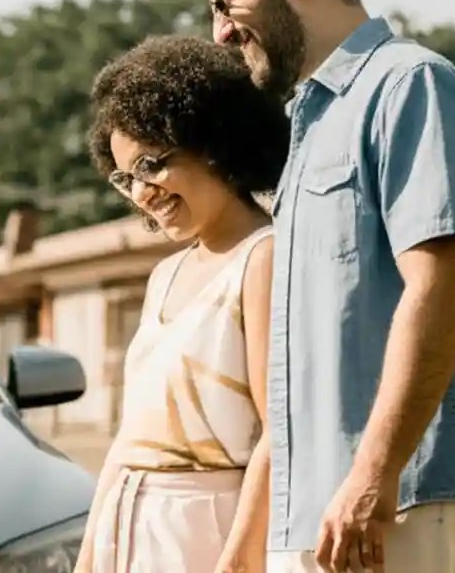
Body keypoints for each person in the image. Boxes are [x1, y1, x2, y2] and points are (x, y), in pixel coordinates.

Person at [189, 0, 455, 572]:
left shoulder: (411, 86)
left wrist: (374, 476)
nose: (220, 32)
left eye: (226, 1)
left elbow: (439, 286)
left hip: (407, 498)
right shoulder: (310, 124)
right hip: (332, 507)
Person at [77, 34, 291, 572]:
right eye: (125, 177)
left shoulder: (262, 258)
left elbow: (279, 433)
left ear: (212, 141)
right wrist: (86, 559)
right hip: (125, 530)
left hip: (208, 531)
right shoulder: (163, 275)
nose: (141, 192)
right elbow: (129, 439)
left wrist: (242, 555)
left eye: (151, 165)